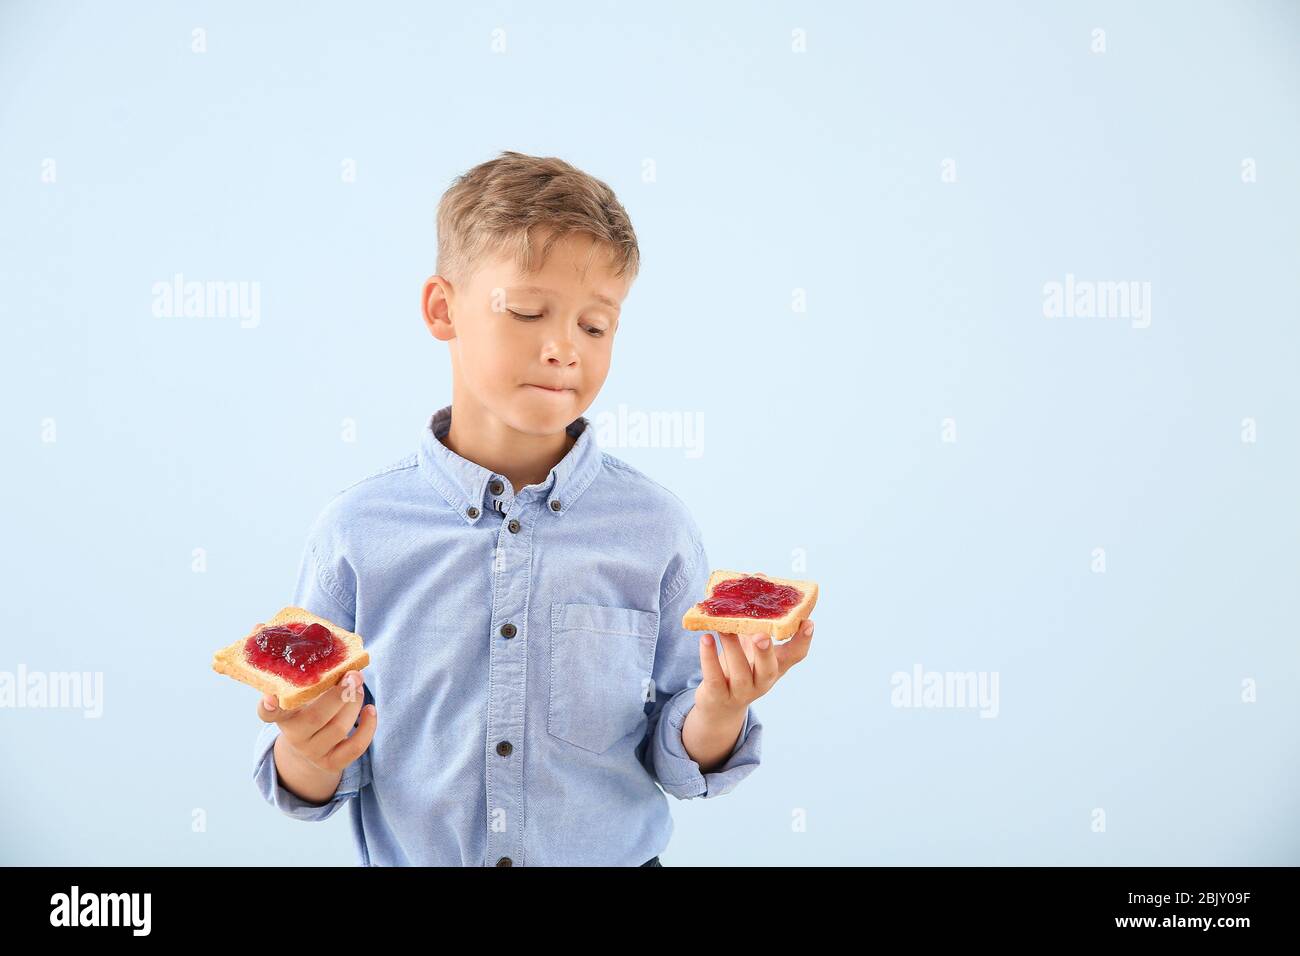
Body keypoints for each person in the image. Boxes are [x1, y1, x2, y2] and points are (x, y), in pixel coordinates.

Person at [251, 151, 815, 865]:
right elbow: (322, 780)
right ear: (441, 307)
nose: (562, 350)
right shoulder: (356, 531)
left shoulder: (656, 531)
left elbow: (678, 757)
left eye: (595, 326)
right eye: (526, 311)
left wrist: (723, 707)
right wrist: (306, 746)